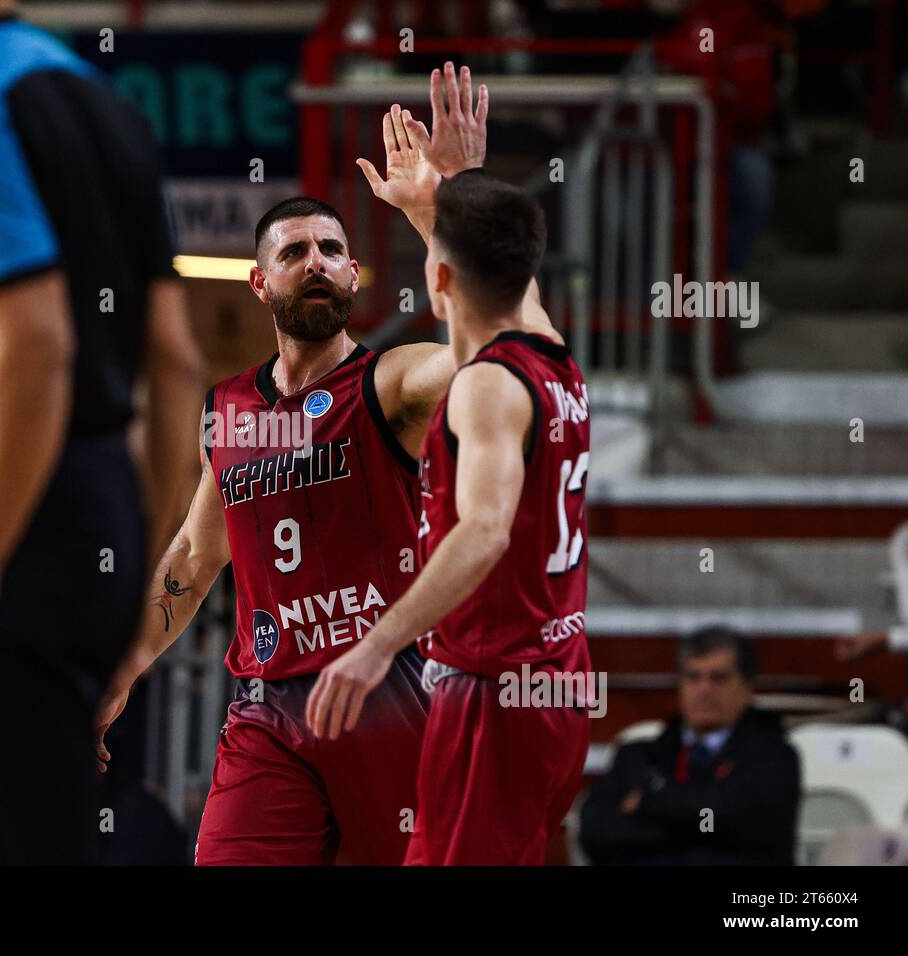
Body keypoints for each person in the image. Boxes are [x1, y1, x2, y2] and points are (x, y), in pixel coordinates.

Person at [0, 0, 202, 864]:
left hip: (18, 524)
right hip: (98, 518)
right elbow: (175, 361)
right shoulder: (109, 102)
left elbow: (36, 339)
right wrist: (136, 551)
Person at [306, 62, 592, 865]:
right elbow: (496, 264)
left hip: (494, 689)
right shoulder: (552, 356)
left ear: (435, 281)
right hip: (558, 678)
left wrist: (374, 646)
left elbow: (486, 531)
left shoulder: (486, 389)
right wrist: (452, 189)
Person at [580, 627, 800, 865]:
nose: (704, 689)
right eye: (693, 677)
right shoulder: (636, 756)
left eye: (718, 678)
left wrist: (647, 803)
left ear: (747, 688)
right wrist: (698, 824)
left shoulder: (776, 758)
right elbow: (595, 832)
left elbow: (736, 823)